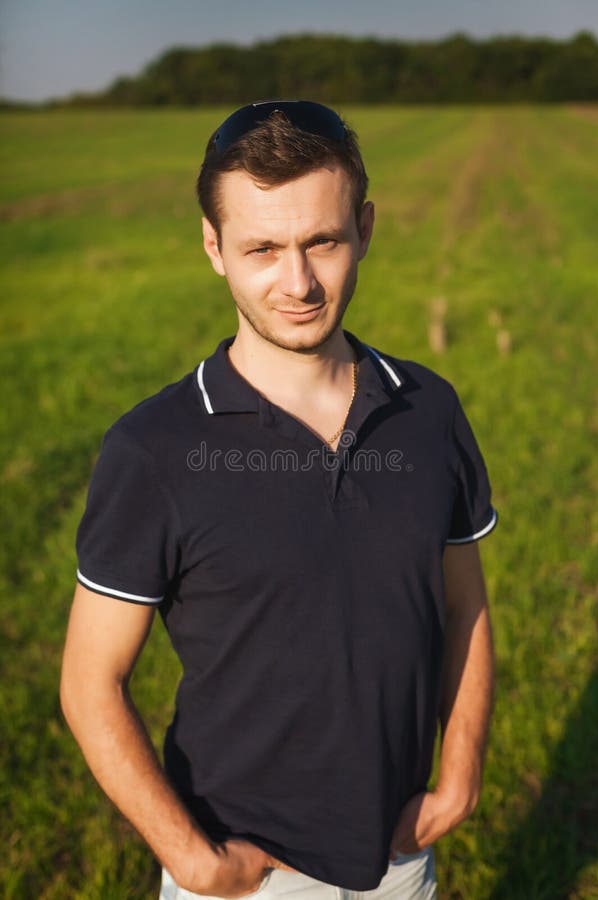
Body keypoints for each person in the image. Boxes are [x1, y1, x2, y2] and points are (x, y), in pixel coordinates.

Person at [60, 100, 497, 900]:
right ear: (213, 247)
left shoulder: (430, 411)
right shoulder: (152, 449)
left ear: (364, 228)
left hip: (398, 858)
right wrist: (193, 861)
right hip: (243, 871)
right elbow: (90, 681)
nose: (296, 283)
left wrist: (462, 770)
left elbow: (463, 604)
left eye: (321, 242)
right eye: (262, 247)